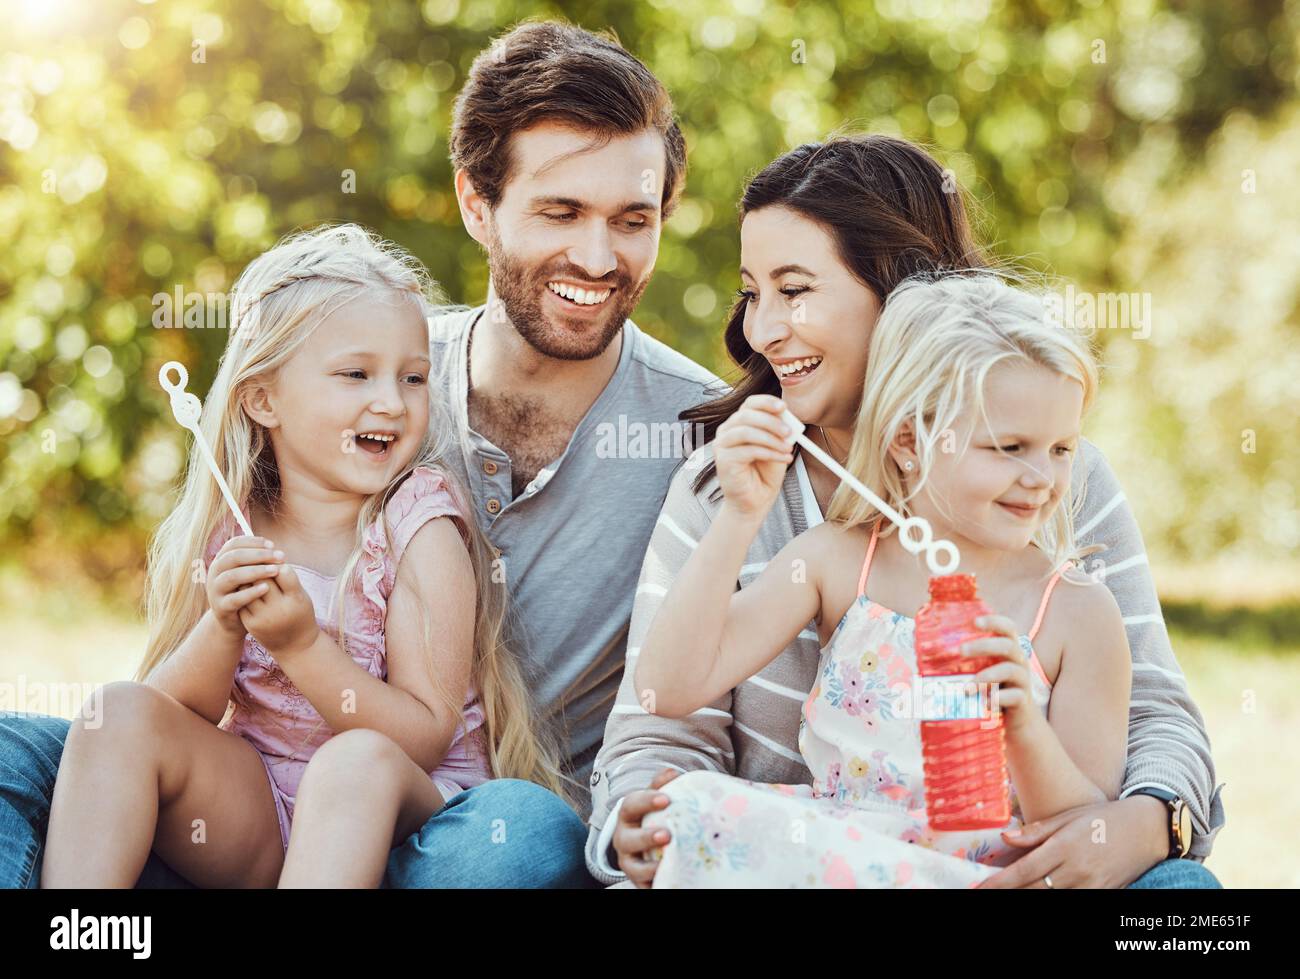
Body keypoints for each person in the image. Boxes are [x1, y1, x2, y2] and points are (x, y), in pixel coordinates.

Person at [0, 21, 716, 888]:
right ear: (475, 205)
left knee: (522, 834)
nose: (598, 257)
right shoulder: (378, 366)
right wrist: (226, 625)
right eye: (560, 211)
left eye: (632, 220)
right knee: (42, 740)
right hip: (257, 804)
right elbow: (171, 699)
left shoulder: (699, 431)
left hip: (454, 833)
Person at [590, 134, 1225, 889]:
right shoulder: (770, 508)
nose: (760, 330)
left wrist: (1150, 818)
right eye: (753, 293)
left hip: (1002, 863)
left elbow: (1149, 716)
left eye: (796, 291)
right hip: (830, 856)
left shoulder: (1061, 488)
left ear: (901, 296)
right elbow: (662, 706)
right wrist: (644, 809)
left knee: (1179, 896)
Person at [38, 223, 572, 888]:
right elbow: (177, 712)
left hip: (411, 825)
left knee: (352, 764)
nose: (391, 401)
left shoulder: (417, 525)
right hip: (264, 809)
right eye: (356, 373)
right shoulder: (237, 526)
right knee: (117, 711)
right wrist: (225, 625)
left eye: (412, 377)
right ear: (264, 399)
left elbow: (424, 735)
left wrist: (298, 645)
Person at [635, 273, 1133, 887]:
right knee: (690, 802)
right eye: (1009, 447)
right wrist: (740, 516)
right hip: (843, 858)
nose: (1043, 477)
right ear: (909, 442)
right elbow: (669, 688)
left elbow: (1090, 831)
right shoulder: (837, 561)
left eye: (1061, 448)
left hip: (981, 875)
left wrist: (1022, 727)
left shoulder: (1078, 612)